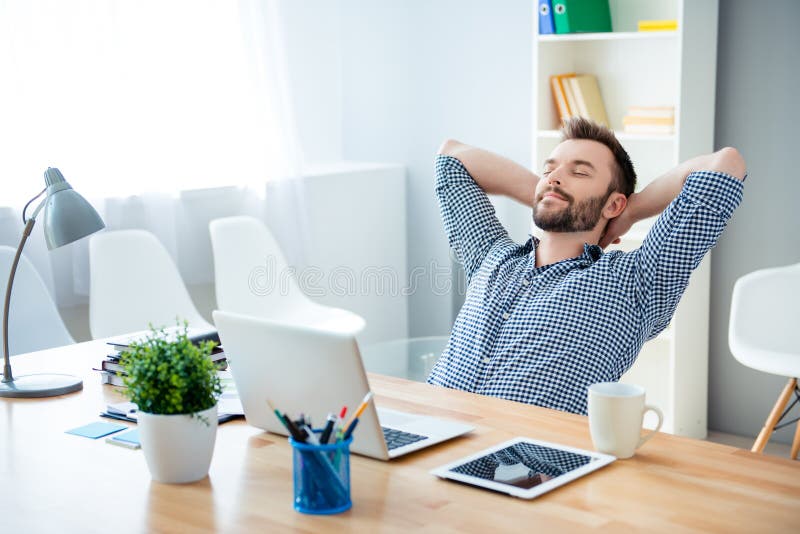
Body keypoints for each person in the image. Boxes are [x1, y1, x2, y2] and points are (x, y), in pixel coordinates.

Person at [427, 117, 746, 415]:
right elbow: (452, 156)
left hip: (525, 469)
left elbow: (725, 164)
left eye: (580, 172)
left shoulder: (636, 281)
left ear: (614, 202)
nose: (554, 177)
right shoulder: (491, 256)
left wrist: (629, 213)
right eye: (548, 170)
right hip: (428, 436)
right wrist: (550, 193)